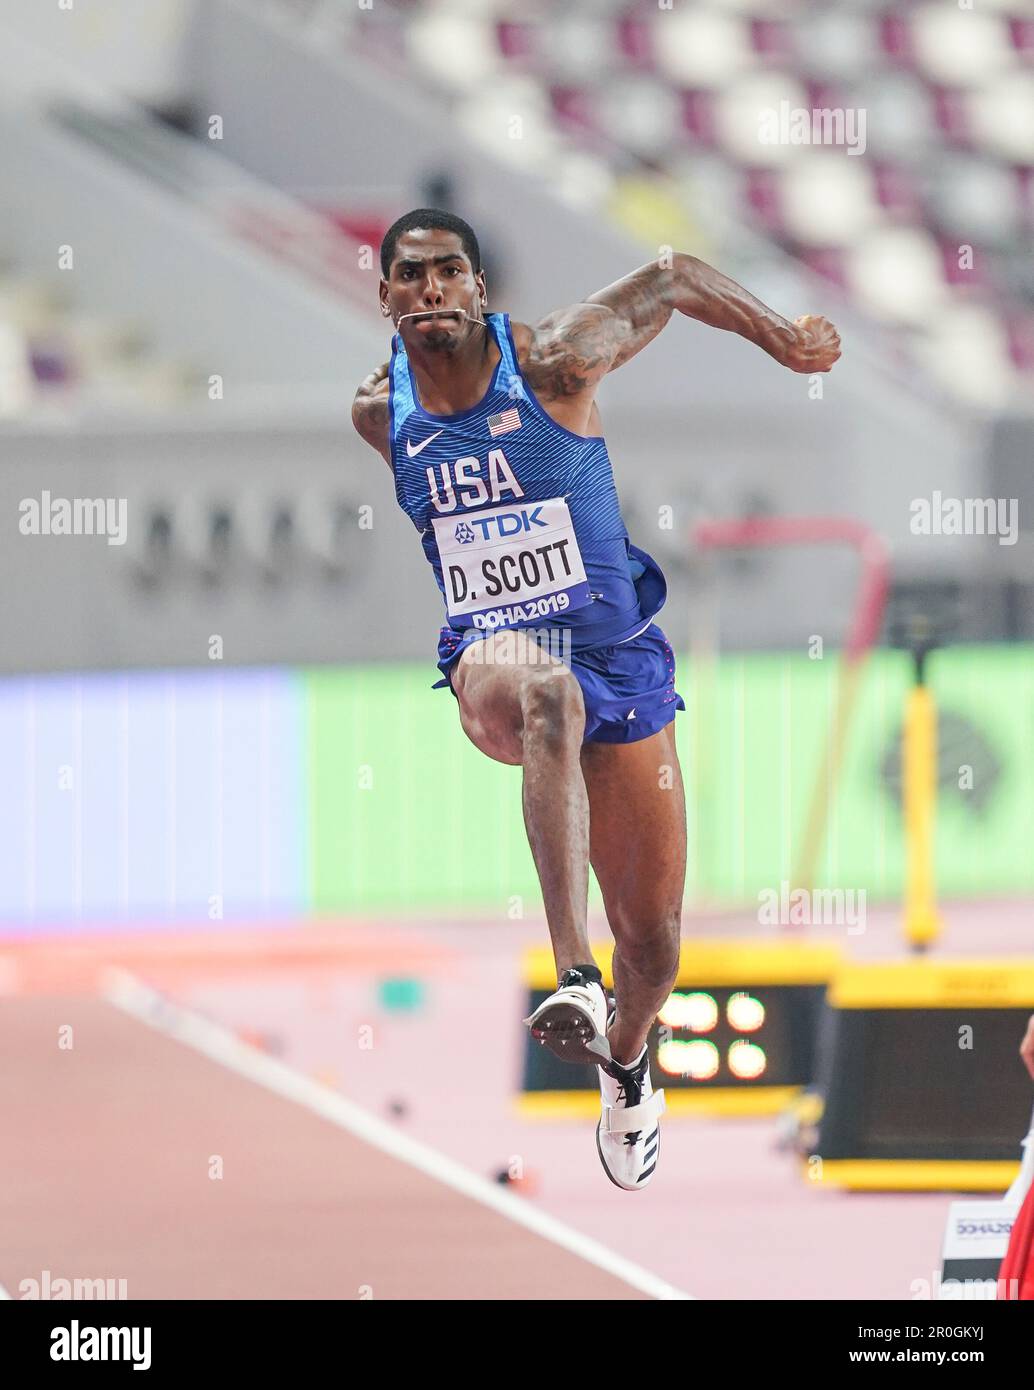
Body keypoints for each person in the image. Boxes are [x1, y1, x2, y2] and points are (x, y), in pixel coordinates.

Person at [352, 208, 841, 1190]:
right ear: (386, 298)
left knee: (655, 947)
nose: (432, 288)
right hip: (494, 651)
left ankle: (626, 1058)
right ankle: (572, 974)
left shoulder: (557, 360)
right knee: (545, 696)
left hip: (618, 656)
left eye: (451, 271)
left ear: (480, 289)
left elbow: (667, 276)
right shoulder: (379, 411)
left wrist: (784, 339)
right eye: (411, 275)